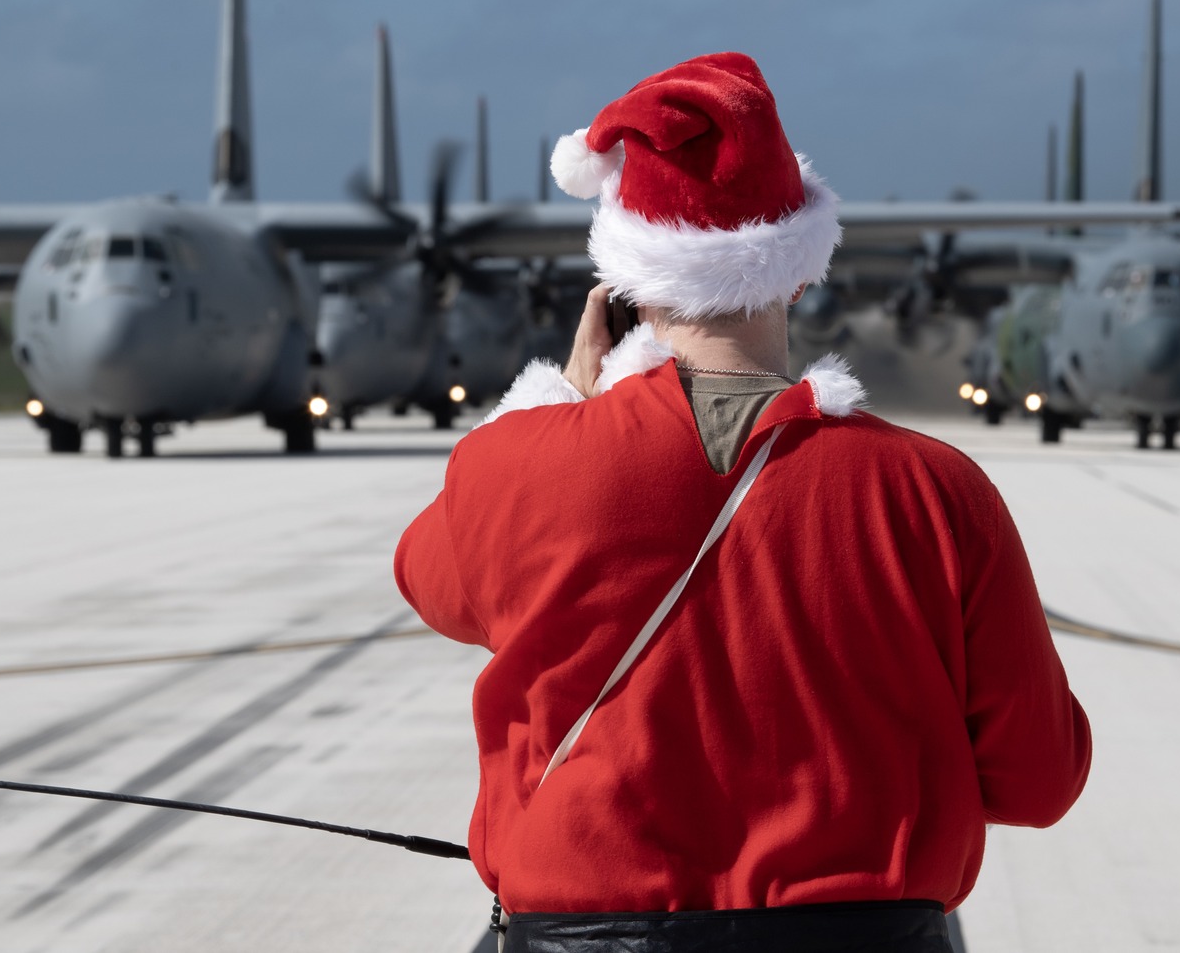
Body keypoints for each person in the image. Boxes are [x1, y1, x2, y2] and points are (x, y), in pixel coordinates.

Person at [396, 53, 1091, 952]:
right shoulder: (936, 489)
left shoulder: (513, 466)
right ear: (799, 273)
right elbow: (1040, 780)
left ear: (627, 282)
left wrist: (556, 405)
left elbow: (431, 580)